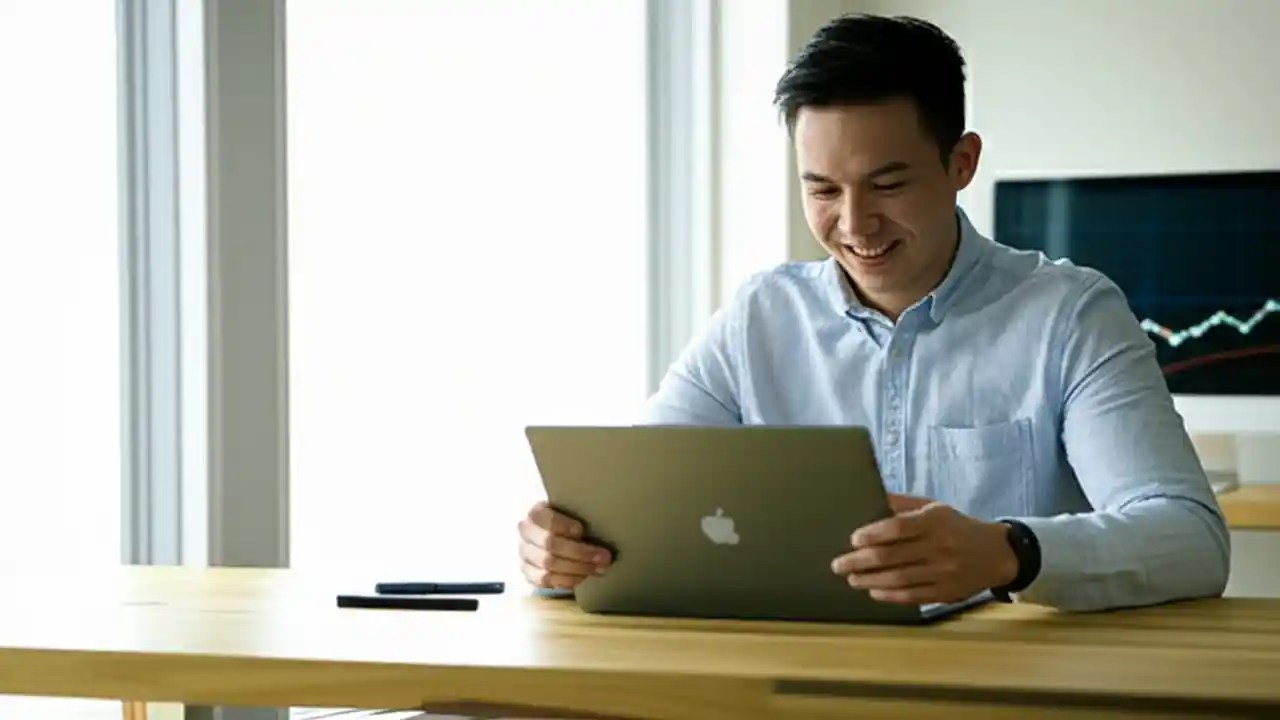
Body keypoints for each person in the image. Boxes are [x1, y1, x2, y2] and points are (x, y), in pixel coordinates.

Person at [516, 13, 1229, 612]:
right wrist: (562, 550)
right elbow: (634, 507)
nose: (855, 225)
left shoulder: (1069, 315)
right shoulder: (757, 318)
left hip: (1005, 691)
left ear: (962, 163)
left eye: (887, 183)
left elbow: (1192, 541)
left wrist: (1008, 551)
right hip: (792, 686)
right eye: (822, 190)